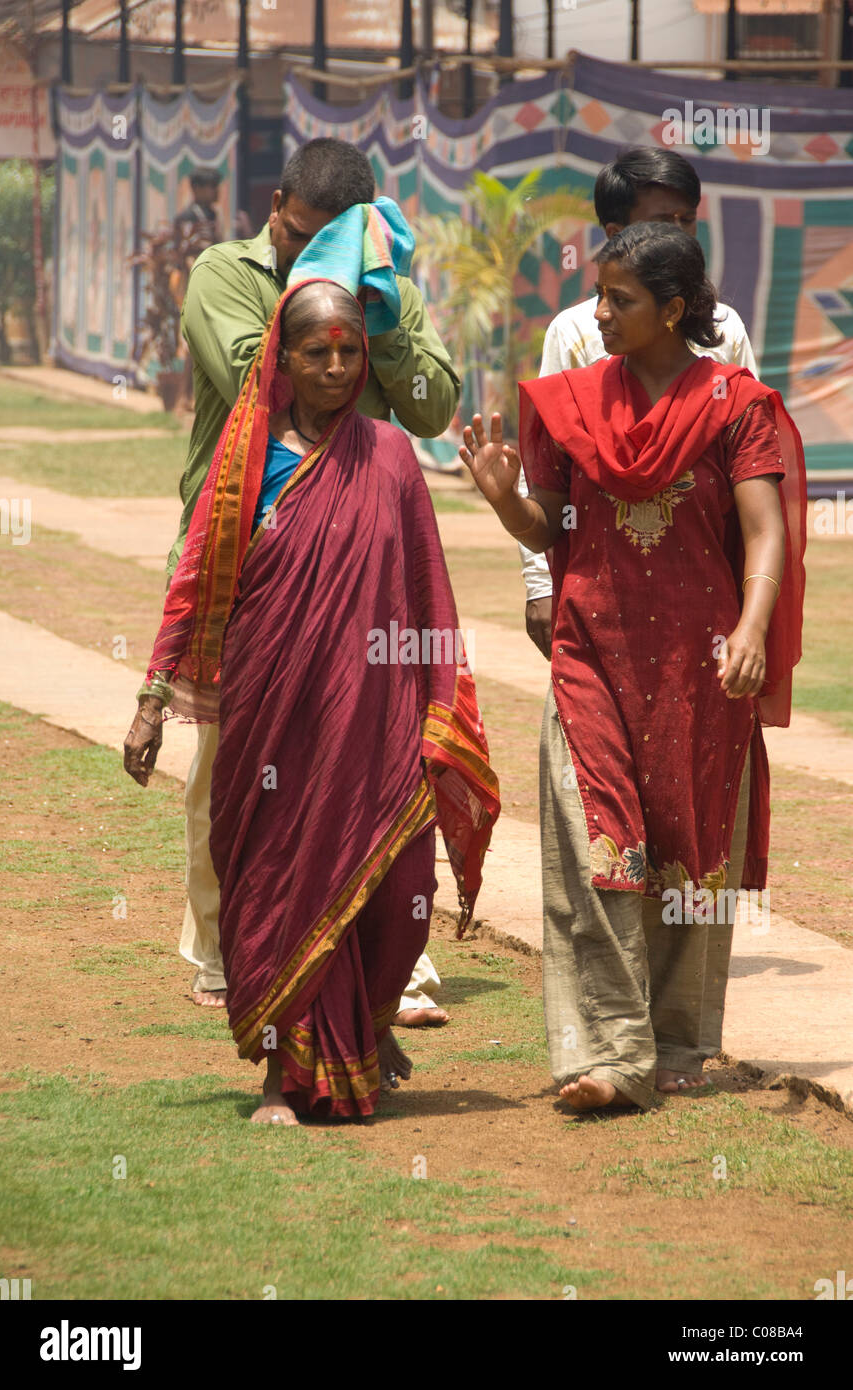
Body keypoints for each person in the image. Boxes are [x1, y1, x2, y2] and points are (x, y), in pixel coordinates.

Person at [123, 213, 499, 1121]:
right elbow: (197, 586)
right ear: (281, 361)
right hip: (270, 712)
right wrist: (149, 701)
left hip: (371, 717)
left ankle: (362, 1033)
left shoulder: (394, 457)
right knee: (280, 873)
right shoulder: (243, 463)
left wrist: (438, 711)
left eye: (348, 351)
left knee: (400, 883)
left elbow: (426, 593)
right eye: (316, 353)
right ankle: (280, 1075)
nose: (336, 368)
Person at [461, 222, 805, 1112]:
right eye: (598, 295)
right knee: (596, 845)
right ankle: (613, 1049)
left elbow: (764, 530)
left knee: (691, 851)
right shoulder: (570, 405)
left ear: (673, 309)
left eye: (619, 299)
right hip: (591, 657)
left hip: (700, 665)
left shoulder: (735, 404)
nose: (599, 313)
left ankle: (681, 1037)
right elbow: (551, 527)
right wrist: (507, 504)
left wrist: (753, 630)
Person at [520, 146, 758, 662]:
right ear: (615, 235)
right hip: (598, 589)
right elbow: (548, 471)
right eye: (660, 222)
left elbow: (752, 473)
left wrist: (752, 611)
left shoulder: (726, 330)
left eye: (686, 220)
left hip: (703, 587)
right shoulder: (578, 332)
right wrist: (540, 583)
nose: (678, 234)